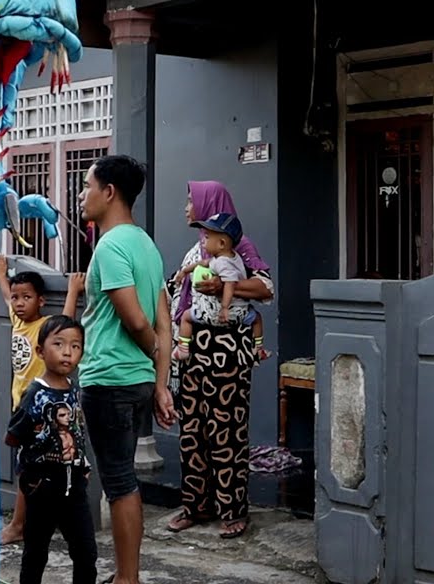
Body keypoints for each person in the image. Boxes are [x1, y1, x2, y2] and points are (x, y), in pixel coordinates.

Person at [75, 155, 174, 584]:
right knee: (124, 478)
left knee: (119, 482)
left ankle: (126, 578)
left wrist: (153, 358)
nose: (82, 194)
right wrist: (161, 383)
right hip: (136, 382)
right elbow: (164, 320)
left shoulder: (112, 246)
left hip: (111, 379)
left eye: (86, 185)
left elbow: (137, 321)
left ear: (109, 192)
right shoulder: (146, 244)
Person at [166, 180, 274, 539]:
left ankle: (232, 510)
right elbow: (180, 291)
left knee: (226, 432)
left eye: (191, 202)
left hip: (228, 352)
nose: (186, 208)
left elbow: (265, 288)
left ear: (211, 205)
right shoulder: (196, 249)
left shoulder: (239, 247)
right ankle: (196, 506)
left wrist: (223, 288)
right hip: (194, 352)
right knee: (192, 431)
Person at [0, 258, 84, 545]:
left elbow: (65, 323)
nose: (19, 303)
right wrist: (0, 275)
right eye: (17, 298)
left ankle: (20, 524)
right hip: (21, 406)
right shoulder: (17, 318)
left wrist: (72, 291)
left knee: (31, 469)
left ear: (41, 301)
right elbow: (8, 295)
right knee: (28, 468)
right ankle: (25, 522)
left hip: (42, 410)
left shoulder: (45, 327)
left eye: (27, 298)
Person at [5, 315, 96, 584]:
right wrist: (30, 473)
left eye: (76, 346)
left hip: (74, 485)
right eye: (59, 344)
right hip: (42, 486)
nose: (68, 352)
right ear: (40, 351)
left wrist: (84, 464)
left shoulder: (74, 389)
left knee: (85, 550)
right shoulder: (35, 394)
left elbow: (78, 431)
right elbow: (14, 436)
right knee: (36, 550)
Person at [172, 212, 266, 362]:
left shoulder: (223, 264)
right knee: (257, 318)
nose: (203, 240)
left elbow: (229, 283)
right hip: (241, 311)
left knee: (186, 317)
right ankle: (259, 348)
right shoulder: (232, 257)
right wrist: (184, 272)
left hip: (223, 314)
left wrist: (224, 308)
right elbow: (203, 263)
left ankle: (183, 349)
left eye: (207, 237)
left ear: (221, 243)